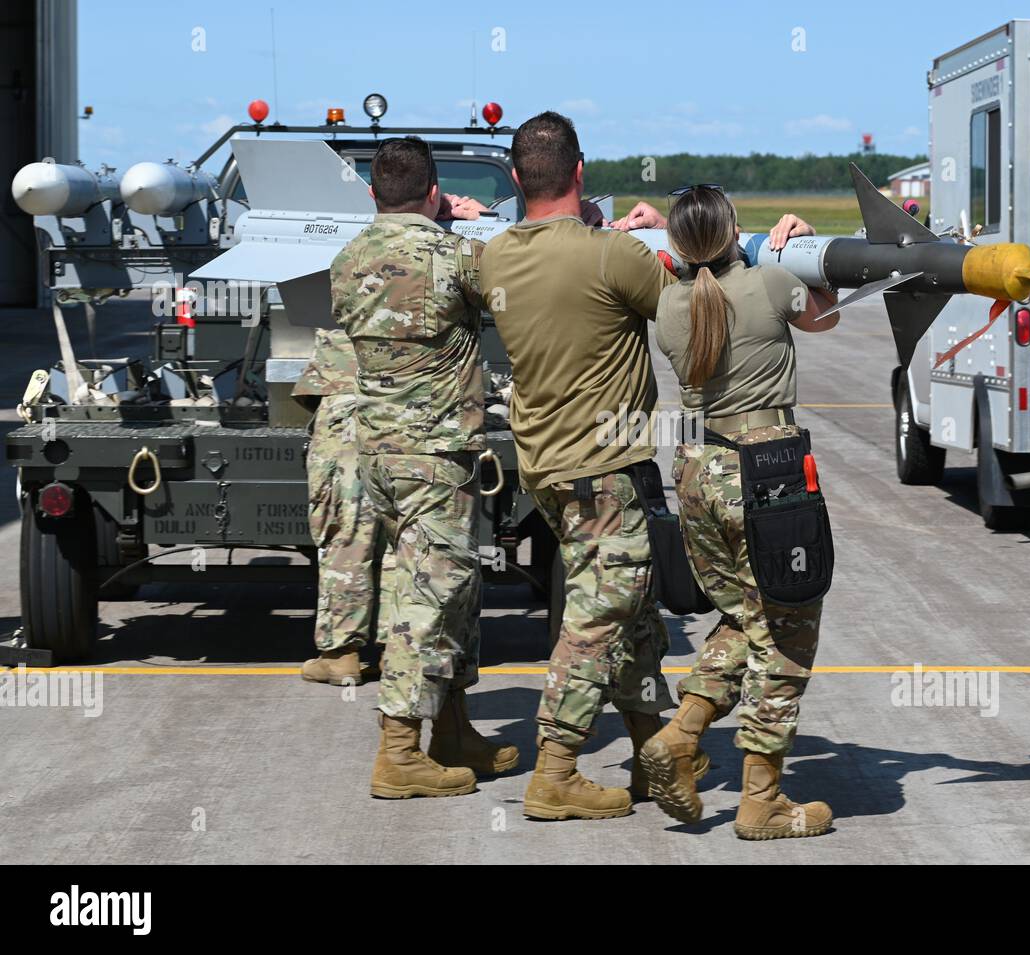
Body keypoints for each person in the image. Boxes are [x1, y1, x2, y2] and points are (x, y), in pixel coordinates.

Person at [478, 111, 708, 820]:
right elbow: (691, 323)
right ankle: (555, 770)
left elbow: (558, 253)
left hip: (544, 467)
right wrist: (678, 242)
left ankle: (652, 752)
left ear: (516, 179)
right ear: (580, 172)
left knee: (634, 619)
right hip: (604, 467)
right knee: (601, 615)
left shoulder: (494, 257)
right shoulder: (614, 254)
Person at [642, 183, 839, 840]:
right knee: (785, 630)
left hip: (698, 473)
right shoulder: (771, 281)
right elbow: (824, 316)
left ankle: (680, 734)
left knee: (746, 614)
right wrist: (795, 243)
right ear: (733, 233)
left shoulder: (670, 305)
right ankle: (763, 802)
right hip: (768, 473)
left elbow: (694, 269)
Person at [330, 136, 518, 799]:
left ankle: (455, 730)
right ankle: (399, 752)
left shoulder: (348, 259)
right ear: (433, 190)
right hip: (436, 456)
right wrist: (468, 228)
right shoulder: (454, 256)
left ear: (375, 192)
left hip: (379, 453)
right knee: (428, 596)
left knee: (454, 593)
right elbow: (505, 296)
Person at [294, 328, 383, 686]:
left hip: (349, 396)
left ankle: (341, 653)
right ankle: (399, 652)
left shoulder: (339, 274)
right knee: (402, 536)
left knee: (347, 529)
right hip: (416, 401)